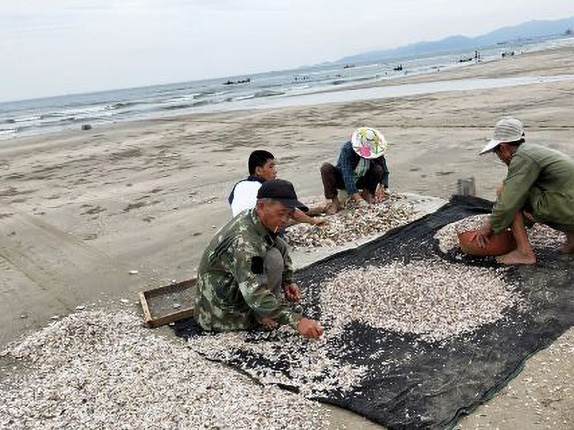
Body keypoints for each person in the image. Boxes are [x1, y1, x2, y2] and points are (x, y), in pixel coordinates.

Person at [194, 179, 323, 339]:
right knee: (273, 259)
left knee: (279, 245)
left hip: (234, 289)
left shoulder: (255, 218)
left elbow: (277, 243)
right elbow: (256, 293)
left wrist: (288, 281)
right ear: (261, 206)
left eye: (289, 214)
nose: (285, 220)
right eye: (281, 213)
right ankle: (262, 313)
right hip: (221, 313)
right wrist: (298, 322)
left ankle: (268, 308)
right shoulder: (245, 243)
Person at [475, 117, 574, 265]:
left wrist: (489, 226)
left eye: (497, 153)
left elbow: (509, 200)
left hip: (569, 206)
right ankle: (572, 241)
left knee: (504, 191)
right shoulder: (533, 151)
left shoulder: (522, 157)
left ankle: (524, 253)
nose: (501, 159)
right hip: (568, 203)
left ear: (503, 147)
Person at [229, 150, 323, 225]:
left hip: (238, 226)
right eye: (270, 167)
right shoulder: (267, 189)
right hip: (258, 230)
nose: (275, 171)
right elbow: (292, 212)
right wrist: (313, 221)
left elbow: (233, 202)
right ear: (258, 170)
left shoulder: (238, 185)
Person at [320, 127, 390, 215]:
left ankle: (367, 194)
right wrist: (358, 199)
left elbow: (385, 170)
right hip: (343, 180)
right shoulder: (348, 149)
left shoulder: (375, 150)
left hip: (362, 180)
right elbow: (347, 175)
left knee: (378, 169)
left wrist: (382, 187)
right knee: (326, 168)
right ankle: (334, 201)